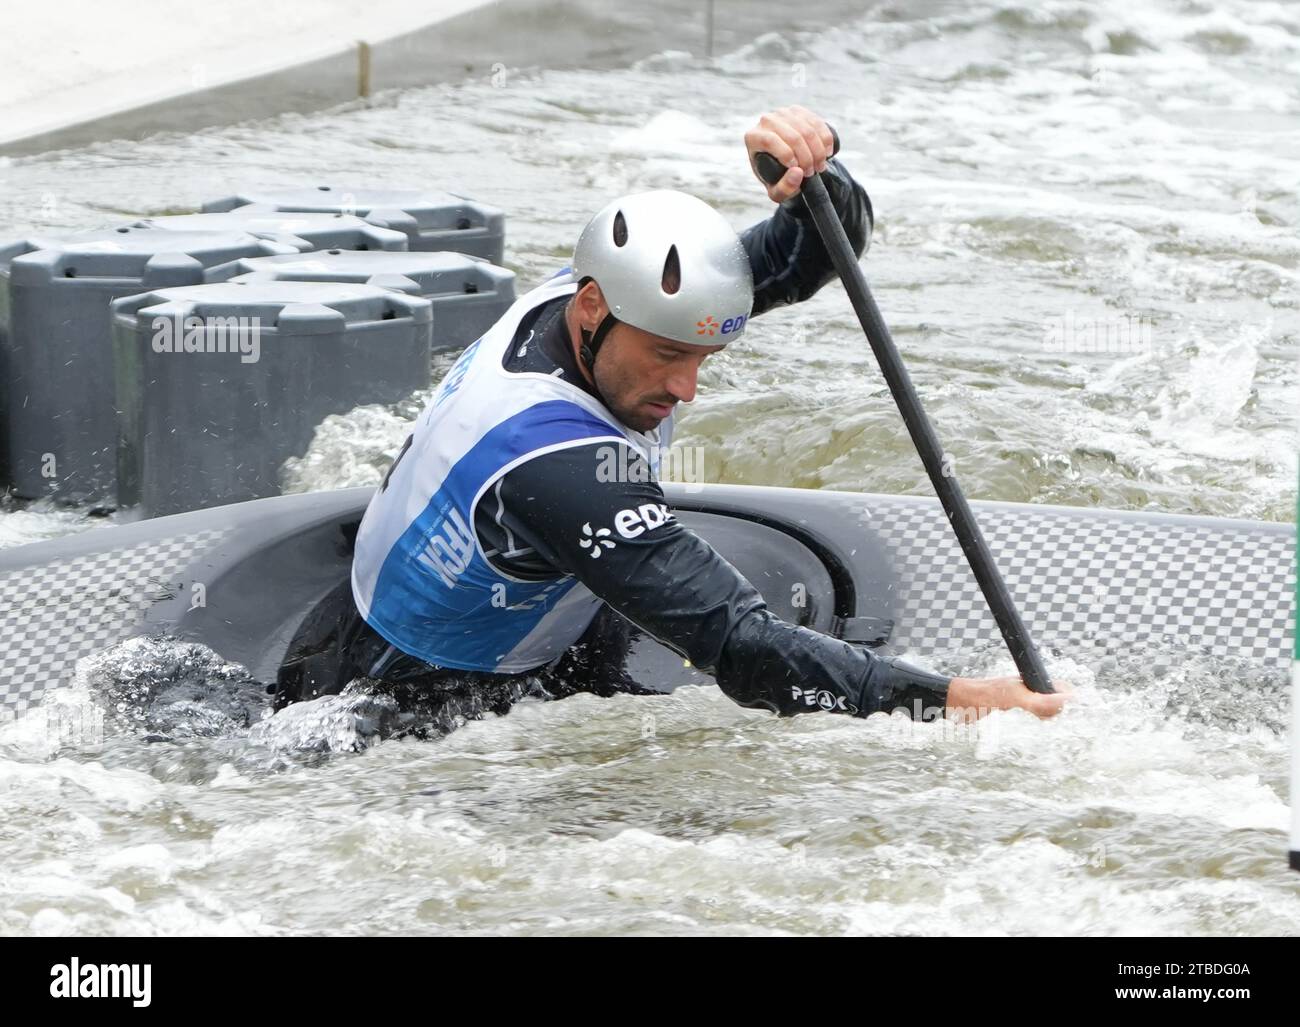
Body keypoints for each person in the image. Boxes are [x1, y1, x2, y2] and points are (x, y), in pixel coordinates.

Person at [310, 105, 1069, 727]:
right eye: (669, 354)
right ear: (592, 310)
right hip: (426, 699)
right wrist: (962, 703)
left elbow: (802, 261)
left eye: (703, 357)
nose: (687, 387)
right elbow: (744, 647)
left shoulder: (585, 305)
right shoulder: (556, 464)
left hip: (538, 610)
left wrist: (815, 181)